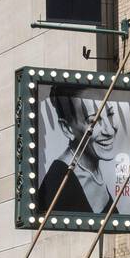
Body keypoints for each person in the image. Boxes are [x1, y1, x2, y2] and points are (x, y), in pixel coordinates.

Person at [38, 86, 120, 215]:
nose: (109, 130)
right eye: (93, 121)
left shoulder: (93, 170)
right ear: (67, 128)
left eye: (110, 115)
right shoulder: (59, 182)